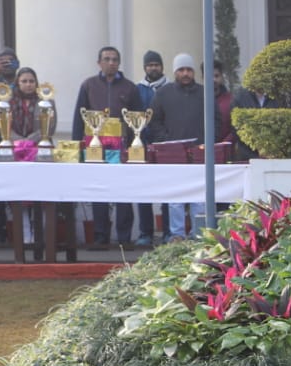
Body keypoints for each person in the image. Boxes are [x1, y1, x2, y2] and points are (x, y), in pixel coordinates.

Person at [72, 46, 143, 245]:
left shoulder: (130, 88)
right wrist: (77, 144)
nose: (111, 62)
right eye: (107, 59)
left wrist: (134, 147)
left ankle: (124, 238)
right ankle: (100, 236)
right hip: (96, 149)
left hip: (122, 149)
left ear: (119, 63)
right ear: (99, 63)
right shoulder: (88, 85)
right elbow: (80, 116)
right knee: (99, 192)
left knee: (124, 193)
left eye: (115, 59)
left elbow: (138, 119)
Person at [148, 53, 206, 239]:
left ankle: (198, 236)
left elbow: (215, 120)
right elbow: (155, 121)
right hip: (173, 154)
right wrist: (167, 142)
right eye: (181, 70)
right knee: (175, 199)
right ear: (175, 72)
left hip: (199, 153)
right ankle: (177, 237)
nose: (185, 73)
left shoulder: (205, 93)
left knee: (200, 197)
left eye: (189, 69)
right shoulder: (163, 94)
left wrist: (206, 142)